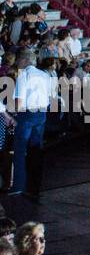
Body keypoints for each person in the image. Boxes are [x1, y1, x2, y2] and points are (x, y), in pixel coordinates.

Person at [10, 50, 55, 197]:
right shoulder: (44, 75)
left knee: (20, 150)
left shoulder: (24, 75)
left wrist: (14, 115)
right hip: (41, 114)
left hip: (27, 114)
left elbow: (19, 101)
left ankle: (18, 186)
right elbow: (50, 96)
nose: (17, 64)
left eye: (18, 61)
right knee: (36, 150)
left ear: (24, 60)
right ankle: (34, 186)